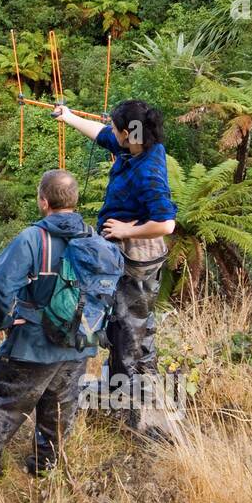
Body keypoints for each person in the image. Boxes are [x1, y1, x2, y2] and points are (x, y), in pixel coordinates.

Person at [0, 169, 96, 477]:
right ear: (74, 200)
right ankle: (44, 470)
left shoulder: (33, 238)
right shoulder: (92, 237)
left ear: (44, 202)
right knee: (58, 413)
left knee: (5, 402)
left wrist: (3, 319)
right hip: (77, 344)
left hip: (33, 343)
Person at [52, 99, 177, 437]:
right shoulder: (133, 146)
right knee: (134, 323)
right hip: (125, 252)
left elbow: (166, 223)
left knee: (126, 328)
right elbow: (102, 136)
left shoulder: (149, 169)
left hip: (136, 255)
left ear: (129, 132)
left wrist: (126, 231)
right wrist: (69, 117)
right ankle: (133, 380)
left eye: (117, 128)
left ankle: (130, 410)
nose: (113, 133)